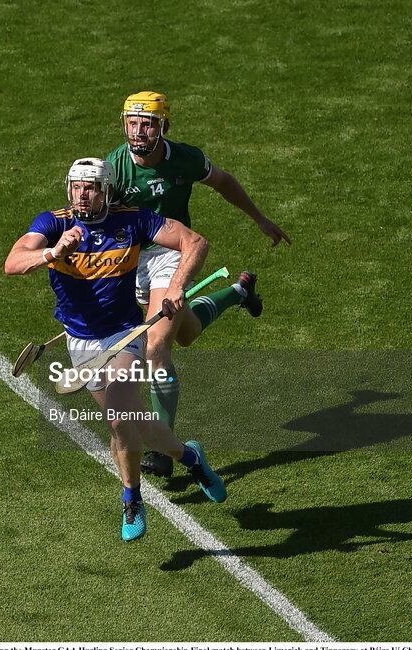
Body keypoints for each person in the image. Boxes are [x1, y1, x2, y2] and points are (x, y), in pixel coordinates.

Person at [4, 157, 227, 541]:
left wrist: (176, 286)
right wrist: (53, 253)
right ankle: (190, 457)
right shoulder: (53, 223)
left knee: (121, 419)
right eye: (76, 186)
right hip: (79, 341)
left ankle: (132, 498)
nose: (82, 195)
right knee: (134, 423)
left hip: (125, 333)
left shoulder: (132, 220)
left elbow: (195, 242)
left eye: (90, 188)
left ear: (107, 191)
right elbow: (12, 263)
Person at [105, 91, 292, 478]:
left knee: (156, 346)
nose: (139, 132)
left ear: (164, 126)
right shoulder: (115, 168)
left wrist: (258, 217)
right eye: (133, 122)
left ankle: (162, 445)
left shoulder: (185, 158)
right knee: (186, 332)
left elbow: (223, 182)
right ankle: (239, 292)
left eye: (148, 124)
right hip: (135, 260)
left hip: (176, 253)